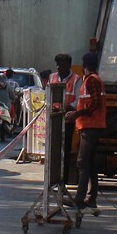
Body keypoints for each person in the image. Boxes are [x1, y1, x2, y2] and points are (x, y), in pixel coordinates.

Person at [72, 51, 107, 214]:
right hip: (92, 126)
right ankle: (91, 198)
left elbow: (95, 102)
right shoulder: (94, 79)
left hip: (90, 127)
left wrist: (77, 114)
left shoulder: (91, 80)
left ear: (84, 65)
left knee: (82, 162)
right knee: (91, 163)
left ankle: (80, 199)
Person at [45, 53, 77, 186]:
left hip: (67, 121)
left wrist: (66, 108)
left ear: (69, 65)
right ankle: (53, 180)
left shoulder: (76, 79)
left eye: (61, 64)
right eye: (57, 64)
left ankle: (63, 182)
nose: (58, 67)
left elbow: (78, 100)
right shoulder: (52, 77)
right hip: (54, 120)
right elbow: (47, 95)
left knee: (65, 152)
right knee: (53, 152)